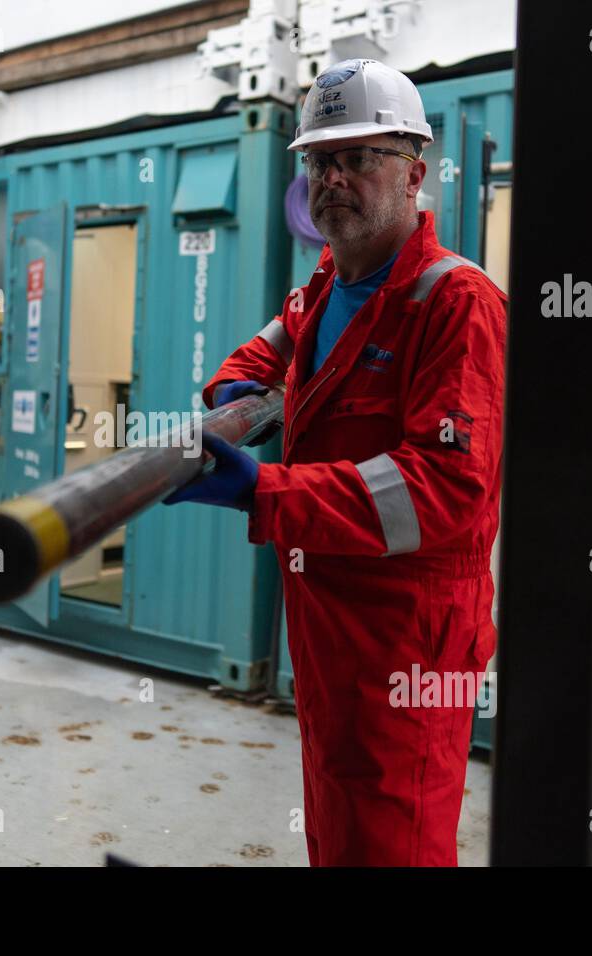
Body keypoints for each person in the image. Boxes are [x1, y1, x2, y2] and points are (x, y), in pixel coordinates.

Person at [164, 58, 508, 866]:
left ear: (415, 174)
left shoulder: (456, 302)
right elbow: (261, 359)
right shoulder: (328, 284)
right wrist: (241, 393)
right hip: (327, 630)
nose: (335, 178)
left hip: (406, 643)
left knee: (392, 843)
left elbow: (442, 490)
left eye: (360, 158)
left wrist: (263, 490)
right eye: (321, 161)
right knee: (341, 835)